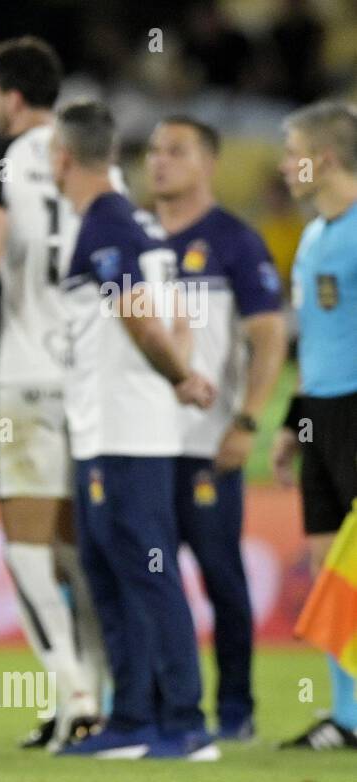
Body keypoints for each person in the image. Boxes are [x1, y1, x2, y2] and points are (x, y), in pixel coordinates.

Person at [0, 37, 105, 751]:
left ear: (8, 94)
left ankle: (75, 694)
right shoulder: (95, 158)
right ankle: (97, 694)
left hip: (31, 379)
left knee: (27, 549)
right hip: (99, 382)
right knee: (80, 547)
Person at [50, 101, 219, 760]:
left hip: (126, 433)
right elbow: (173, 313)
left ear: (64, 158)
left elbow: (143, 317)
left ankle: (184, 720)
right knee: (111, 567)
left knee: (146, 570)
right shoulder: (132, 224)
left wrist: (178, 376)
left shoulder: (109, 224)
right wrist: (179, 368)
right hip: (110, 430)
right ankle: (133, 718)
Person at [145, 116, 287, 741]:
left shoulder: (234, 241)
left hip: (206, 442)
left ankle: (236, 710)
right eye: (152, 151)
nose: (159, 162)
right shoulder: (136, 240)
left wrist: (247, 420)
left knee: (220, 574)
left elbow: (269, 336)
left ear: (207, 162)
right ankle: (162, 709)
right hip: (141, 443)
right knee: (149, 578)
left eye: (175, 151)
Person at [272, 101, 357, 750]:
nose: (282, 164)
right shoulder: (311, 237)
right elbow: (315, 344)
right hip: (320, 416)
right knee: (330, 569)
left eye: (292, 150)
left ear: (323, 158)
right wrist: (290, 422)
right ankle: (346, 717)